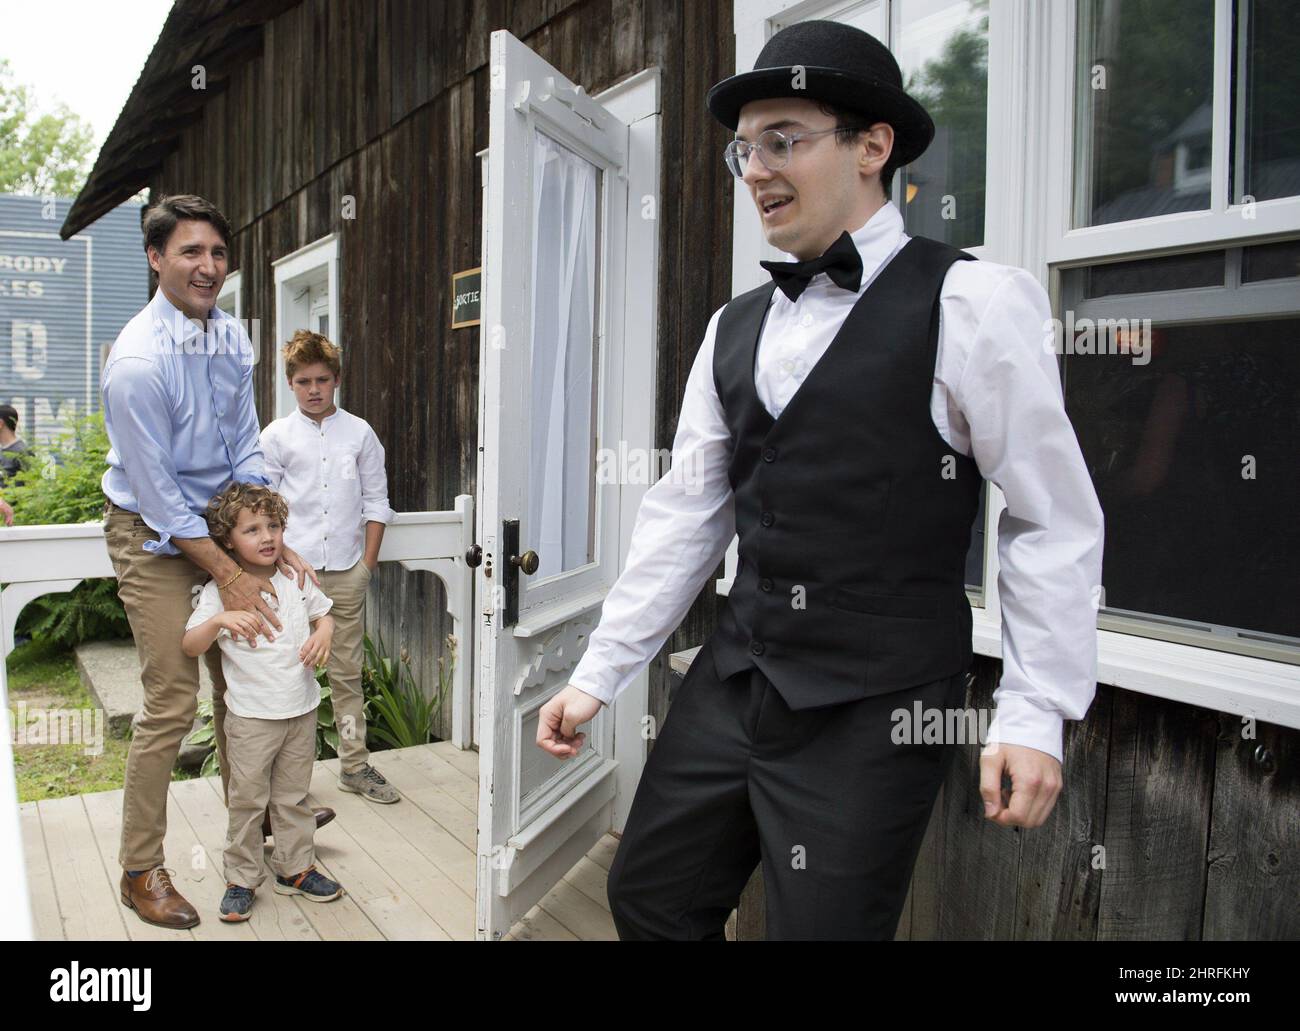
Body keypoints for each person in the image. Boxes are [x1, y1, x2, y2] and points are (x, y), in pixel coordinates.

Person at [536, 20, 1105, 940]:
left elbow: (1051, 520)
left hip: (876, 709)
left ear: (872, 146)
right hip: (734, 681)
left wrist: (1036, 708)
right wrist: (600, 670)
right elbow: (686, 513)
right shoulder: (732, 325)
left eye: (783, 140)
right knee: (649, 897)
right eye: (744, 149)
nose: (755, 169)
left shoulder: (974, 303)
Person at [102, 193, 332, 930]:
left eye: (217, 252)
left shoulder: (231, 336)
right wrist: (231, 571)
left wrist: (266, 533)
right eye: (190, 252)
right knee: (172, 700)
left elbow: (245, 449)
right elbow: (161, 499)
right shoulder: (136, 364)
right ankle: (141, 868)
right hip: (151, 528)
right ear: (155, 258)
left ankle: (263, 821)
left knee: (252, 671)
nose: (207, 266)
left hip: (223, 518)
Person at [183, 482, 345, 921]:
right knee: (249, 801)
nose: (267, 536)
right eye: (252, 529)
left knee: (292, 797)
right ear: (227, 540)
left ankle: (295, 868)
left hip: (302, 709)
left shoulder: (294, 578)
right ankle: (241, 877)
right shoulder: (221, 591)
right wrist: (218, 619)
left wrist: (324, 631)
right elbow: (191, 645)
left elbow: (323, 611)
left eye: (273, 525)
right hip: (252, 718)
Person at [259, 330, 400, 803]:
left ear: (336, 379)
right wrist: (279, 558)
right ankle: (283, 780)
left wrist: (366, 566)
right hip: (289, 574)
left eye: (322, 379)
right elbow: (264, 507)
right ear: (290, 384)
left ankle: (355, 766)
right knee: (284, 668)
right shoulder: (276, 437)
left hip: (343, 572)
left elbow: (377, 503)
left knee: (346, 672)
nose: (313, 389)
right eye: (303, 381)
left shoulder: (359, 433)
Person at [0, 403, 28, 526]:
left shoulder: (22, 453)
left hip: (14, 522)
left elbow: (32, 488)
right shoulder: (2, 451)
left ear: (0, 424)